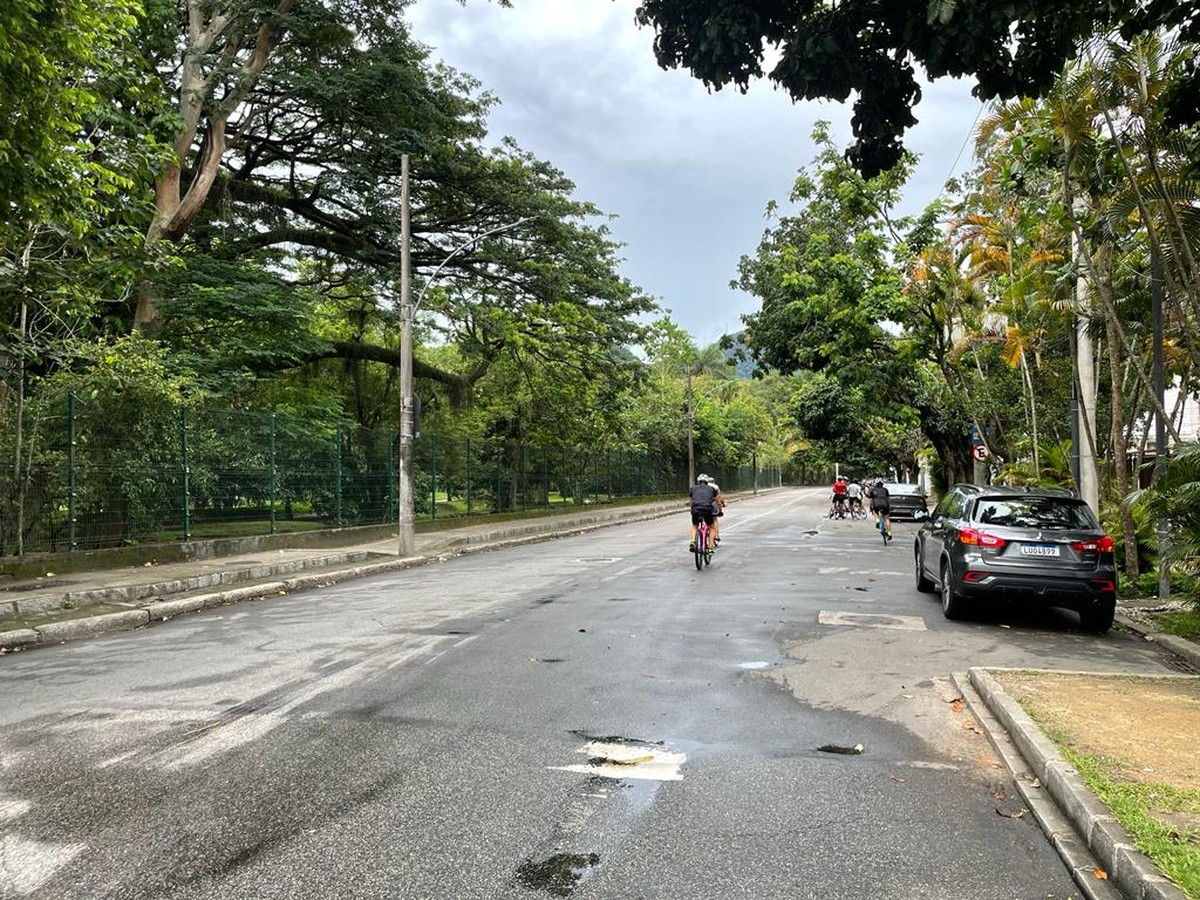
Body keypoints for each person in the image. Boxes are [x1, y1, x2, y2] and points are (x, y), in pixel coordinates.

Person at [688, 473, 719, 552]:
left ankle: (692, 542)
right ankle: (710, 547)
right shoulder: (711, 489)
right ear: (707, 482)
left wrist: (692, 508)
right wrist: (719, 509)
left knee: (695, 525)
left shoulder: (693, 488)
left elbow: (692, 500)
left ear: (698, 481)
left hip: (695, 509)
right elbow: (716, 500)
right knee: (712, 527)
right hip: (707, 509)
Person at [705, 475, 727, 544]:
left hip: (702, 505)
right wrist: (722, 506)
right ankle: (716, 535)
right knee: (714, 519)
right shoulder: (715, 487)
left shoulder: (703, 486)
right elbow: (719, 498)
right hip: (712, 505)